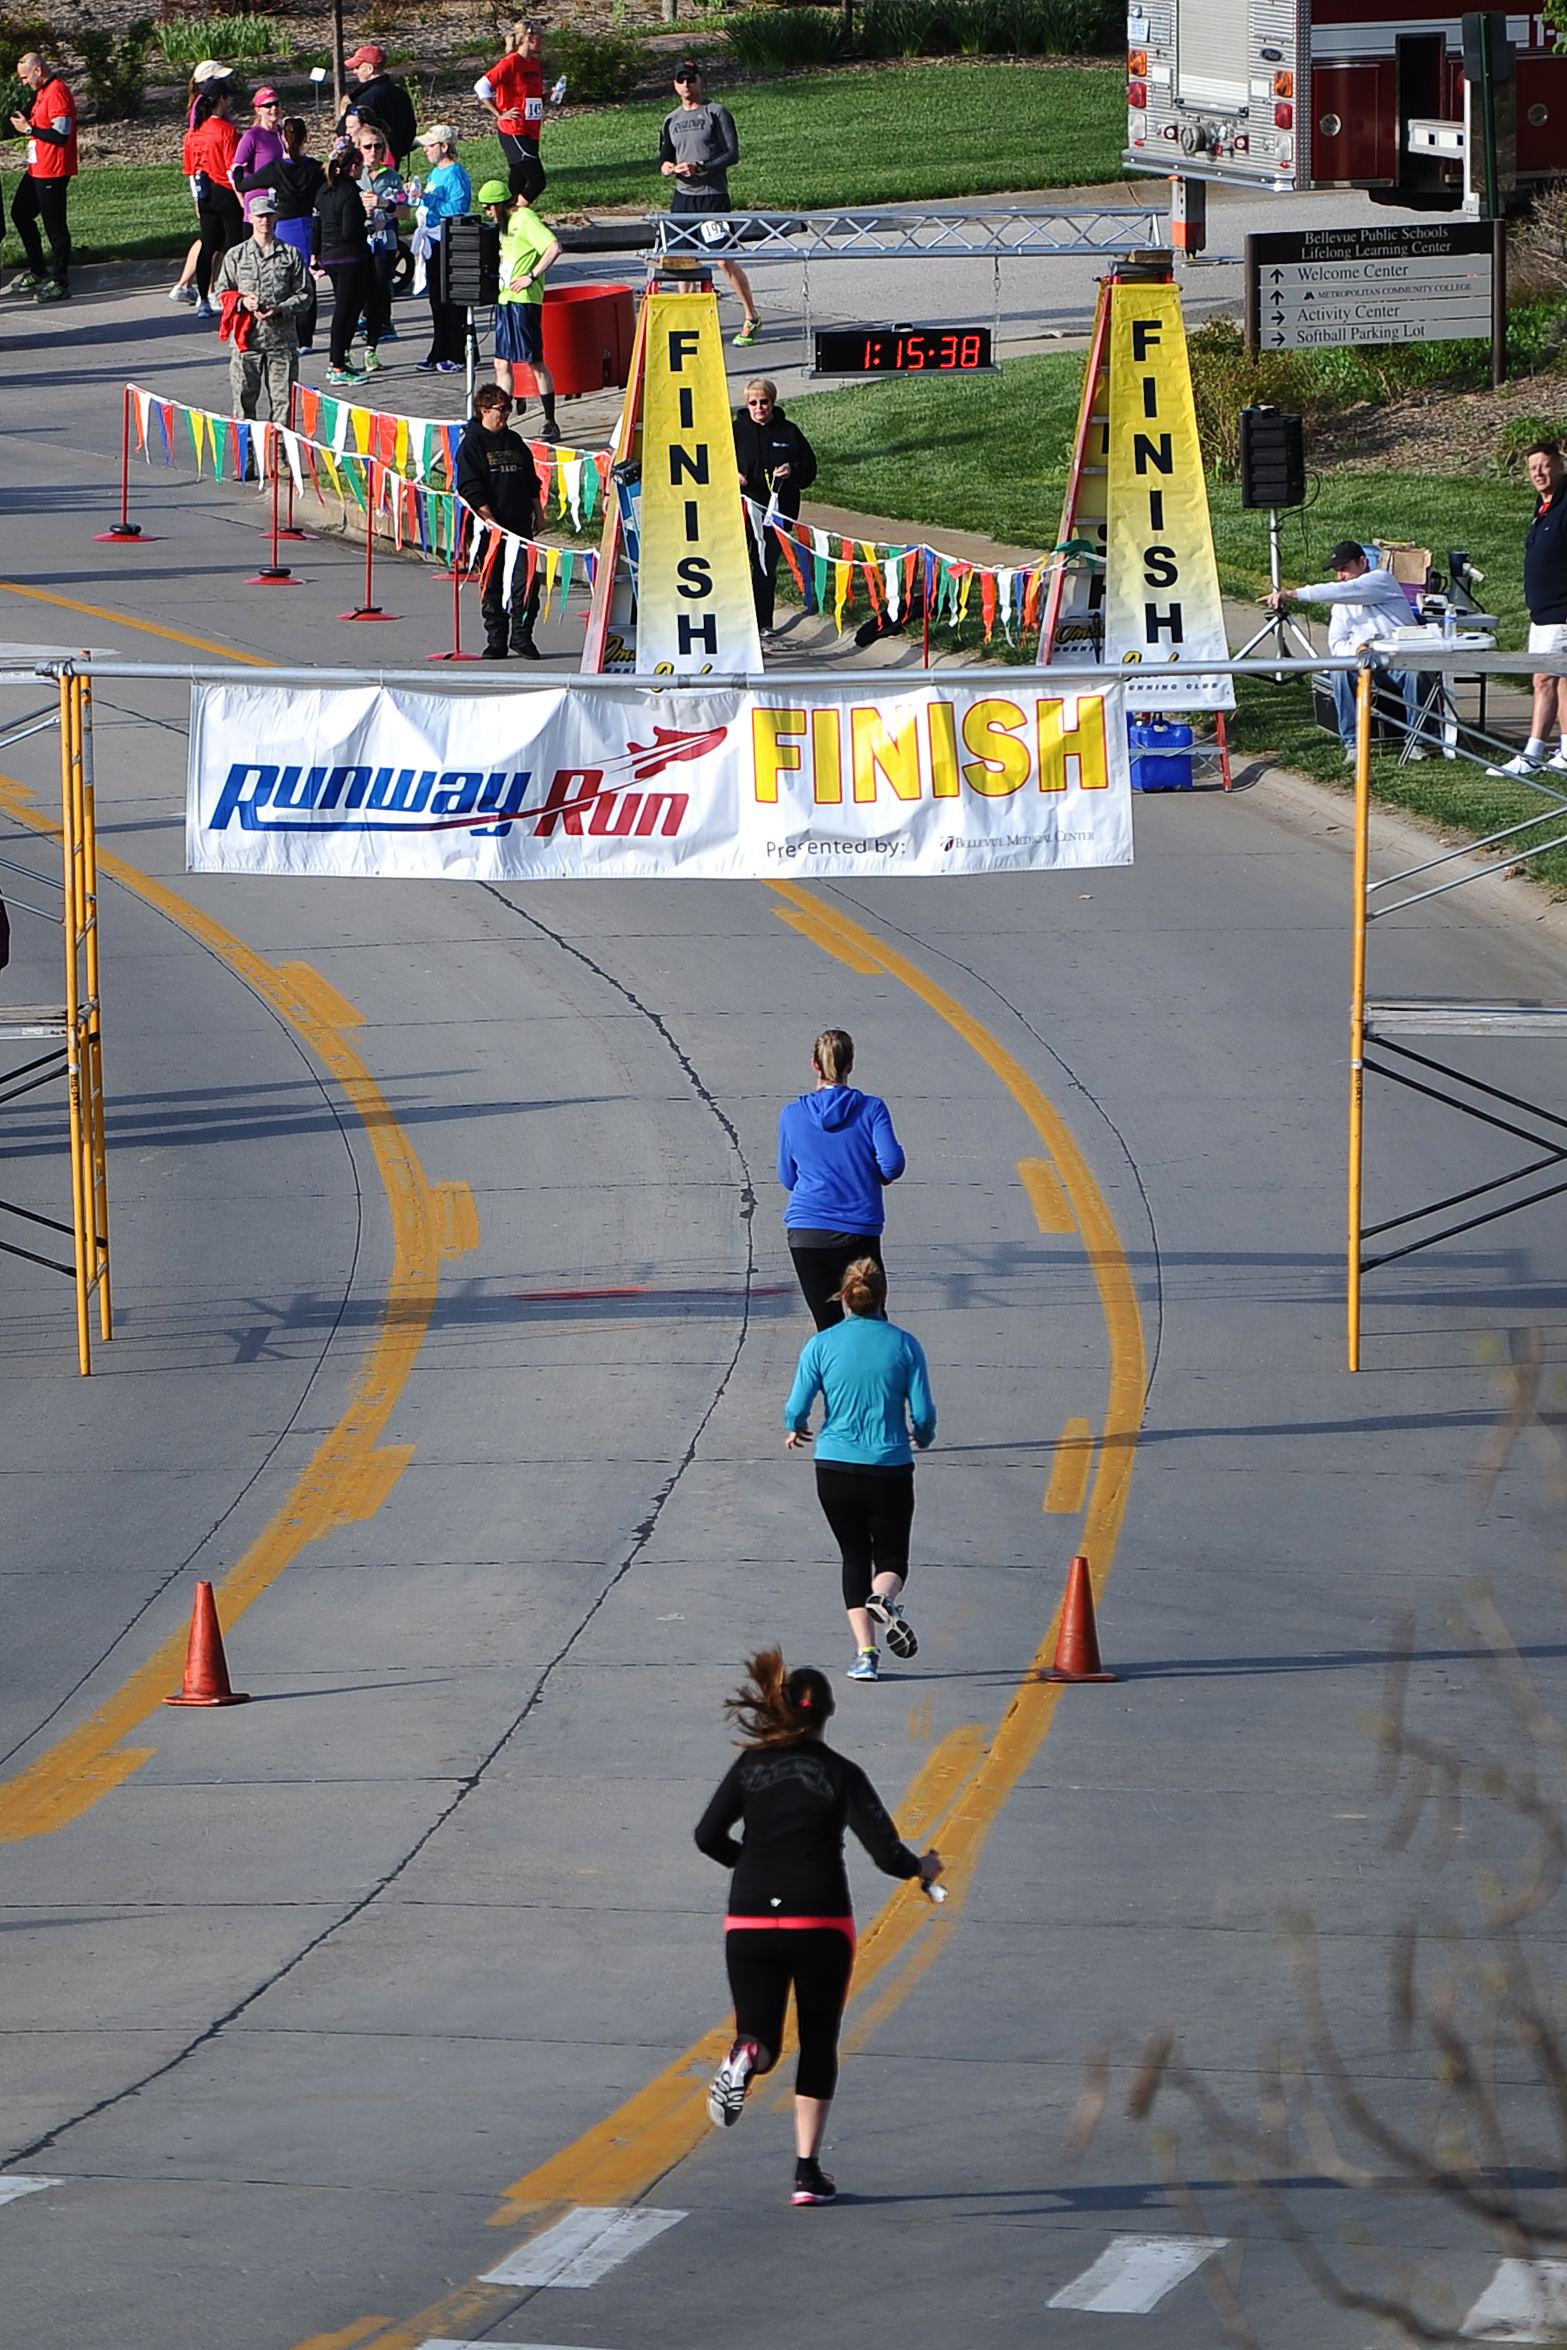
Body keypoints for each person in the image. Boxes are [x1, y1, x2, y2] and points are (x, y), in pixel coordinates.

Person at [694, 1647, 942, 2201]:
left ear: (780, 1709)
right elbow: (886, 1853)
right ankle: (806, 2172)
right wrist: (922, 1867)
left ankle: (743, 2058)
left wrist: (751, 1868)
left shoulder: (750, 1766)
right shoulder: (841, 1773)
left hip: (751, 1918)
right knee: (818, 2041)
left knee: (760, 2037)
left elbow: (707, 1836)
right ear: (828, 1713)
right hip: (821, 1921)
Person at [784, 1256, 933, 1682]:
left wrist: (796, 1428)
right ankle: (884, 1597)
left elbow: (796, 1406)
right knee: (890, 1558)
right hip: (888, 1467)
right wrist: (922, 1434)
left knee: (853, 1555)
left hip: (833, 1466)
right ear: (883, 1296)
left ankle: (866, 1654)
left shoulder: (822, 1344)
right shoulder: (905, 1344)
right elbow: (922, 1412)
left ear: (844, 1299)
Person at [778, 1027, 906, 1333]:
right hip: (858, 1233)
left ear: (814, 1063)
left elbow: (787, 1176)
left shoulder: (792, 1114)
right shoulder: (872, 1109)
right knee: (873, 1322)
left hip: (807, 1233)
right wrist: (870, 1175)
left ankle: (834, 1381)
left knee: (829, 1329)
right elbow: (892, 1164)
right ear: (850, 1065)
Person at [1265, 540, 1420, 764]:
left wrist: (1292, 593)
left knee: (1416, 674)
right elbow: (1337, 644)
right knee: (1340, 672)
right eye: (1337, 571)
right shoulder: (1340, 606)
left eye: (1344, 569)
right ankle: (1353, 743)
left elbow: (1345, 590)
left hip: (1399, 656)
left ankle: (1417, 742)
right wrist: (1358, 648)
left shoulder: (1381, 580)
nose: (1340, 576)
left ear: (1363, 562)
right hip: (1365, 662)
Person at [658, 61, 760, 347]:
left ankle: (751, 316)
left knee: (722, 259)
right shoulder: (671, 120)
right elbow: (664, 155)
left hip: (713, 197)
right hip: (682, 200)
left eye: (691, 80)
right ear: (675, 85)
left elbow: (732, 154)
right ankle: (687, 326)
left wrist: (701, 167)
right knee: (683, 262)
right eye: (681, 81)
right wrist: (667, 167)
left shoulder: (716, 113)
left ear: (700, 81)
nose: (686, 85)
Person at [1491, 442, 1567, 778]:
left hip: (1560, 612)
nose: (1538, 473)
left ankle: (1536, 752)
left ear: (1559, 465)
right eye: (1532, 468)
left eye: (1544, 465)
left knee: (1549, 679)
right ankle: (1557, 750)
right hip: (1541, 613)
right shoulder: (1544, 506)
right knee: (1554, 680)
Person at [456, 386, 546, 659]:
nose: (506, 414)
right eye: (501, 408)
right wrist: (489, 519)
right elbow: (470, 487)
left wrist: (538, 514)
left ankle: (522, 635)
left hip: (519, 525)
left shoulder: (515, 441)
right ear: (484, 410)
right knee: (491, 583)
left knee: (526, 582)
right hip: (488, 529)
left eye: (508, 408)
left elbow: (531, 481)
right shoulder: (472, 444)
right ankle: (496, 639)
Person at [477, 179, 561, 440]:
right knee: (501, 362)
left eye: (489, 208)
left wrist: (531, 276)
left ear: (500, 204)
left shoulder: (525, 219)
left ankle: (550, 420)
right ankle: (503, 418)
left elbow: (554, 247)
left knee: (534, 360)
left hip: (524, 300)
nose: (487, 213)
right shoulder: (503, 226)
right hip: (505, 300)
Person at [215, 192, 309, 422]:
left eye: (268, 215)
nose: (264, 221)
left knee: (283, 404)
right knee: (243, 405)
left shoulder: (290, 254)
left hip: (281, 342)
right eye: (259, 216)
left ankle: (280, 455)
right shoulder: (236, 256)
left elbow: (305, 295)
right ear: (250, 218)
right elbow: (220, 294)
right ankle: (247, 456)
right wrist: (242, 302)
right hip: (247, 342)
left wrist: (281, 308)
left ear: (275, 217)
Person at [734, 376, 816, 637]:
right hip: (740, 512)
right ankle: (736, 621)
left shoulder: (788, 432)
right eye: (753, 402)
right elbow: (711, 465)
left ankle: (762, 624)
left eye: (764, 402)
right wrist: (731, 476)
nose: (759, 407)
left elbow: (810, 468)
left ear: (773, 402)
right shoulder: (734, 431)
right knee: (737, 566)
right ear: (747, 404)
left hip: (776, 514)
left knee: (765, 566)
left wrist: (792, 470)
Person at [243, 115, 323, 351]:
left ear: (281, 138)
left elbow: (244, 183)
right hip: (308, 225)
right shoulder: (314, 168)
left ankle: (285, 332)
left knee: (284, 282)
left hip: (285, 227)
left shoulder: (275, 168)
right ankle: (305, 338)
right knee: (307, 284)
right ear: (305, 138)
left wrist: (239, 172)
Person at [9, 50, 77, 303]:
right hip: (37, 168)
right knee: (20, 213)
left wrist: (29, 129)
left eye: (26, 77)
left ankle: (60, 281)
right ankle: (39, 268)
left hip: (54, 170)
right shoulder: (43, 92)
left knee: (55, 226)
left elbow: (61, 134)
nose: (24, 83)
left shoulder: (57, 92)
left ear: (38, 70)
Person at [182, 82, 242, 321]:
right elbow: (232, 169)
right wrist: (241, 196)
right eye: (228, 98)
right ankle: (233, 293)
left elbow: (190, 169)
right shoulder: (225, 130)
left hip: (205, 193)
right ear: (221, 99)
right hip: (226, 192)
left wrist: (196, 198)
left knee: (208, 246)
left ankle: (203, 299)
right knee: (235, 245)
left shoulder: (194, 132)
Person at [414, 126, 471, 373]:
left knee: (450, 298)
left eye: (431, 145)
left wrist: (428, 203)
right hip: (433, 242)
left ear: (444, 147)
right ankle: (439, 349)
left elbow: (457, 208)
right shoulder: (434, 174)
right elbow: (432, 201)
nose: (425, 149)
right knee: (436, 298)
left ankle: (458, 352)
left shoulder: (455, 173)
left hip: (448, 240)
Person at [312, 147, 371, 385]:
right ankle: (336, 365)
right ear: (353, 166)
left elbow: (316, 225)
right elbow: (349, 230)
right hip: (349, 258)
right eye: (360, 165)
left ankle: (341, 360)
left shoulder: (324, 191)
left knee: (349, 308)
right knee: (345, 312)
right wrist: (367, 225)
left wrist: (315, 254)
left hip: (329, 256)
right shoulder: (349, 193)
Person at [475, 19, 549, 202]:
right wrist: (500, 113)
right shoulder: (510, 63)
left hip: (532, 131)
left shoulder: (534, 64)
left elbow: (532, 98)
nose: (544, 41)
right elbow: (481, 87)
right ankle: (514, 216)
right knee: (537, 181)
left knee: (516, 185)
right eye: (541, 36)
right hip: (514, 131)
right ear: (529, 38)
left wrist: (550, 96)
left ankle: (505, 220)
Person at [356, 122, 407, 368]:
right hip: (357, 239)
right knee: (357, 293)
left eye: (378, 146)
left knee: (378, 292)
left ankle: (371, 349)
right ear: (359, 149)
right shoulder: (354, 174)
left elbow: (405, 213)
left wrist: (385, 204)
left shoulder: (392, 176)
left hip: (384, 241)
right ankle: (343, 352)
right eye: (368, 146)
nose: (373, 151)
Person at [339, 43, 416, 167]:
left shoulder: (363, 99)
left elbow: (343, 131)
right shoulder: (401, 95)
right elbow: (410, 131)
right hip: (393, 161)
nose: (354, 71)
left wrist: (346, 108)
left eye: (358, 67)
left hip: (366, 165)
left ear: (370, 69)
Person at [230, 85, 284, 222]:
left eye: (276, 103)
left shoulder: (284, 133)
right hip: (259, 201)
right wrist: (242, 201)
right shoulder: (252, 136)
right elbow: (236, 168)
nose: (273, 109)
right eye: (268, 105)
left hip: (282, 200)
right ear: (258, 110)